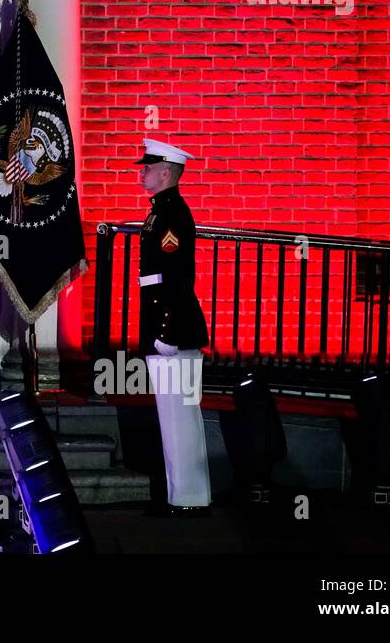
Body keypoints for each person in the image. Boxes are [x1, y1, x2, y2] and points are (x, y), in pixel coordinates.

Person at [135, 137, 211, 517]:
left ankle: (190, 498)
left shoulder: (172, 214)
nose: (142, 172)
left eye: (148, 167)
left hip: (173, 326)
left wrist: (165, 330)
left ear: (166, 172)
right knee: (173, 415)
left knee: (180, 415)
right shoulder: (160, 212)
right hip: (164, 321)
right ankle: (180, 495)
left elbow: (176, 277)